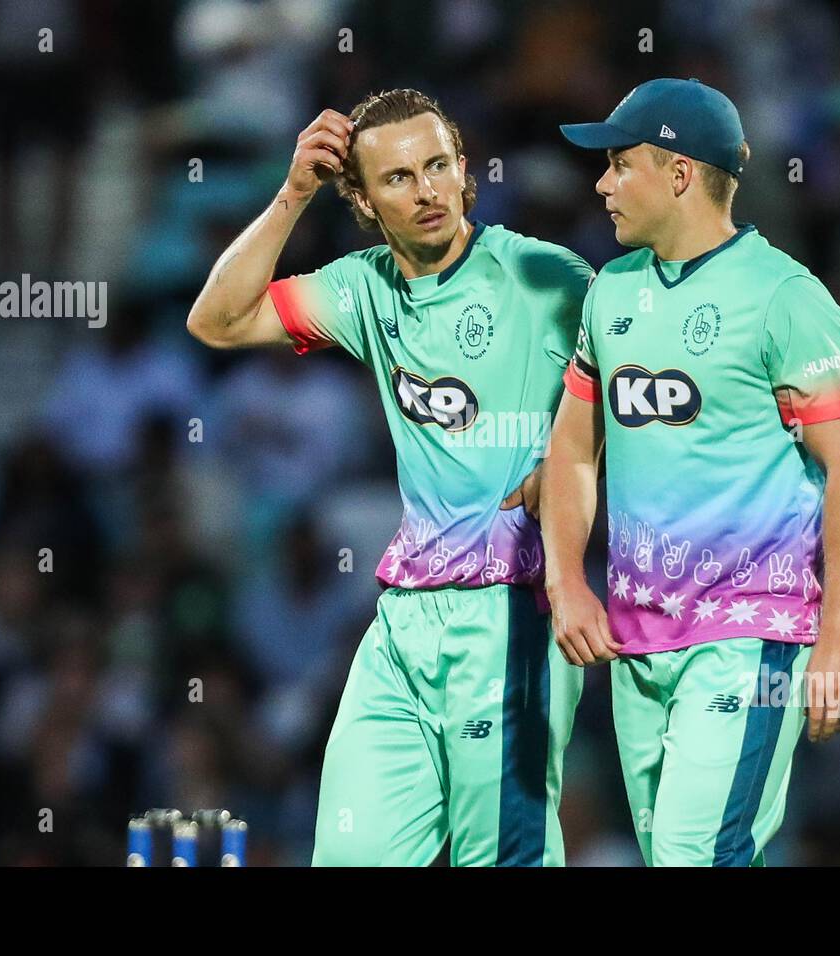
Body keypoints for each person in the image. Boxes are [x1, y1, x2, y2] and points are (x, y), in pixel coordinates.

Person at [187, 90, 593, 866]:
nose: (429, 189)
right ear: (365, 201)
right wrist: (292, 194)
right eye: (399, 177)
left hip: (513, 616)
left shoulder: (544, 277)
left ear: (465, 168)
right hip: (402, 629)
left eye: (438, 165)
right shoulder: (362, 287)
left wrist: (574, 458)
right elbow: (219, 320)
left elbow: (650, 387)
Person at [542, 78, 840, 866]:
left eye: (620, 164)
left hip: (749, 640)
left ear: (680, 173)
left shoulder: (786, 299)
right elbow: (569, 448)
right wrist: (566, 581)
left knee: (697, 856)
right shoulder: (611, 293)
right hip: (636, 644)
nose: (602, 183)